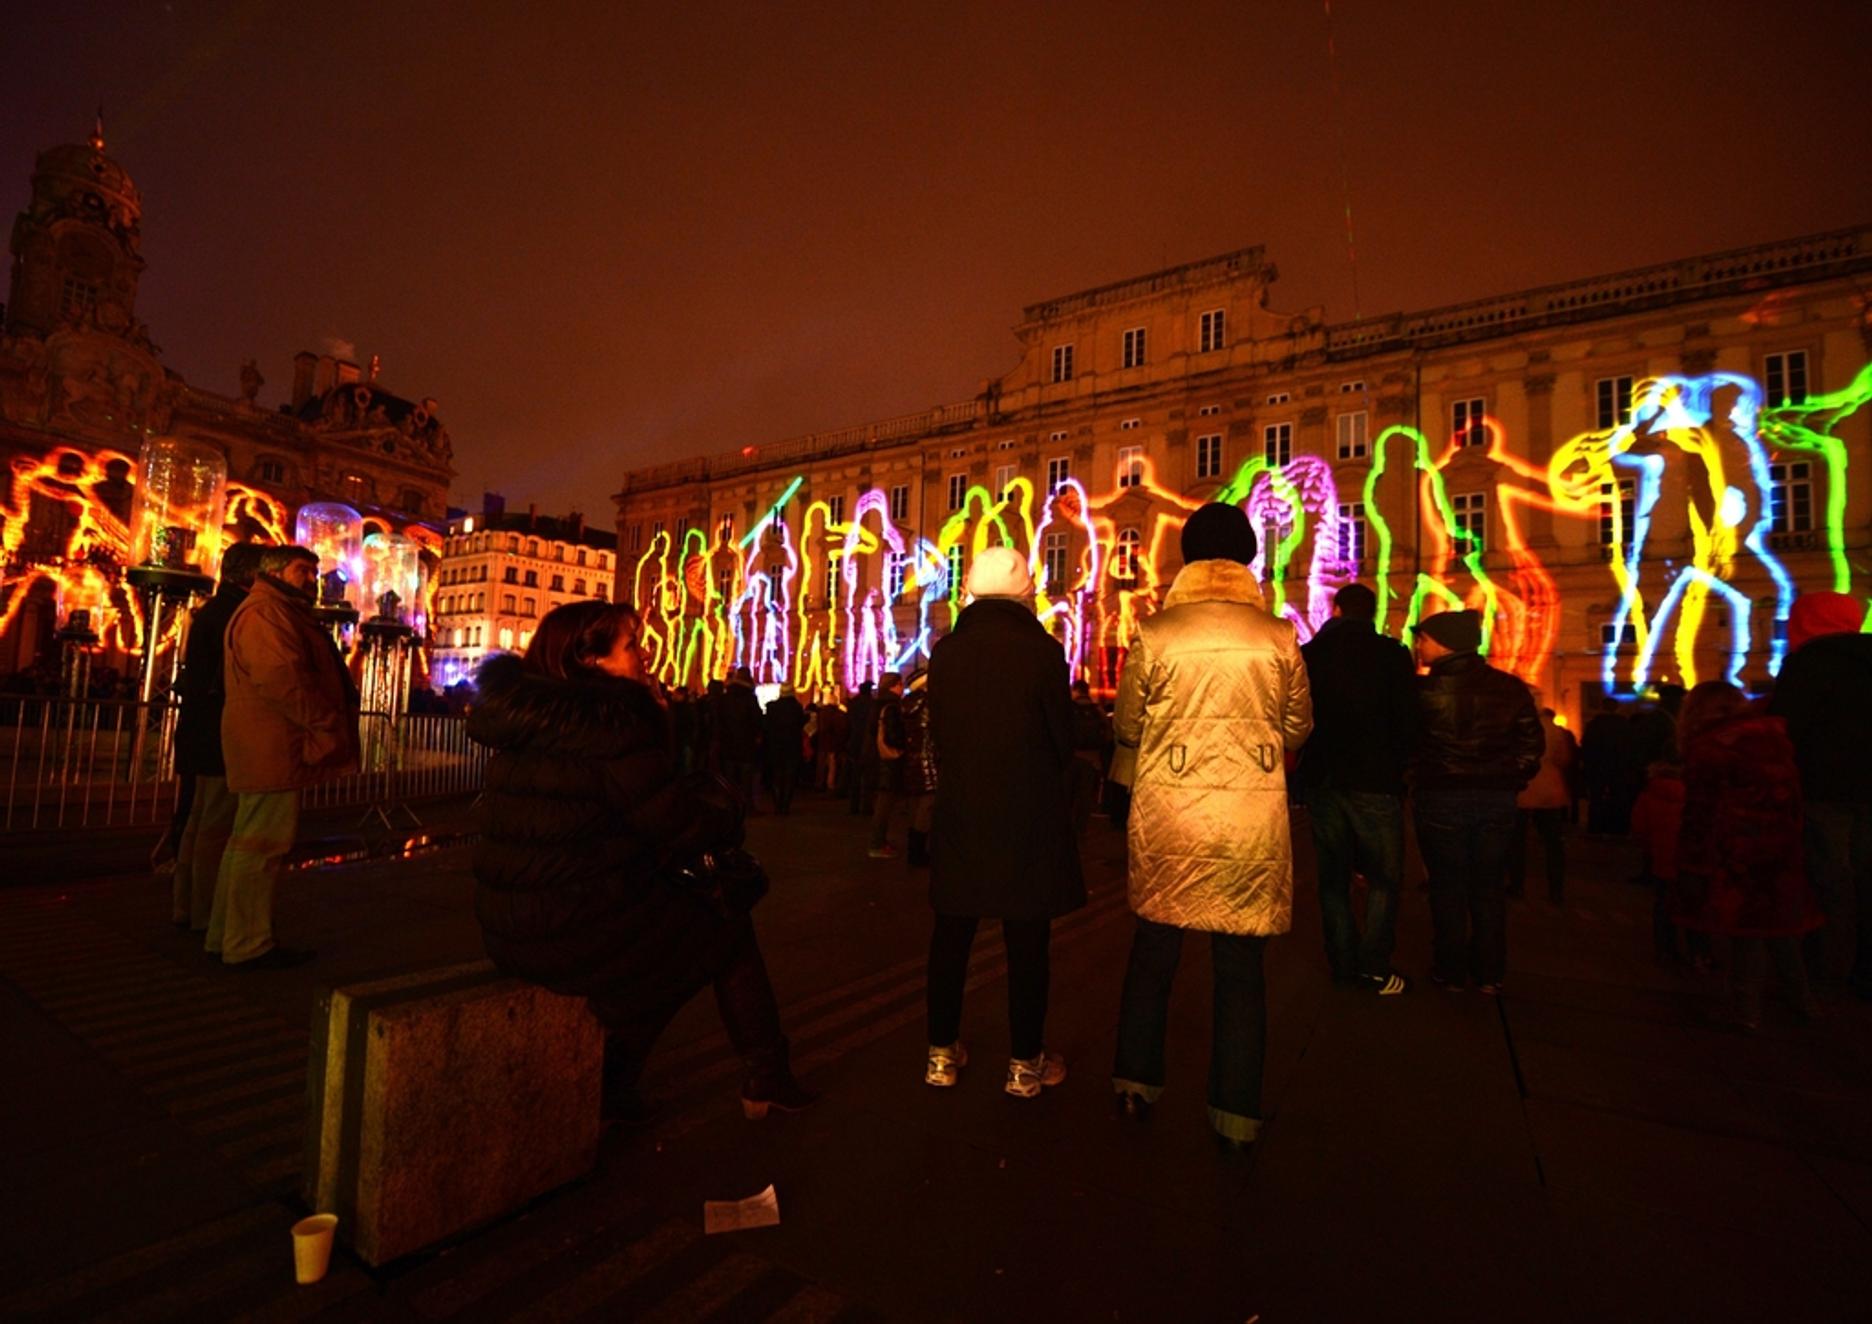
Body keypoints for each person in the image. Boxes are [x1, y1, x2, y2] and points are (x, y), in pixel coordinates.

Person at [467, 600, 815, 1121]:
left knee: (670, 944)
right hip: (572, 926)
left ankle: (617, 1087)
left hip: (510, 925)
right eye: (631, 645)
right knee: (723, 930)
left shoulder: (531, 722)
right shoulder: (610, 725)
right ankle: (764, 1077)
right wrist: (725, 811)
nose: (645, 654)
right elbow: (678, 826)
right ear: (592, 660)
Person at [1109, 504, 1312, 1150]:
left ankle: (1136, 1085)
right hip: (1249, 820)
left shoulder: (1156, 631)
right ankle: (1234, 1113)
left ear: (1189, 560)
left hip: (1171, 814)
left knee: (1153, 957)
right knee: (1241, 968)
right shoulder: (1278, 636)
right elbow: (1298, 726)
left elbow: (1128, 728)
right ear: (1249, 558)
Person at [925, 546, 1083, 1097]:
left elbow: (939, 734)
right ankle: (1024, 1062)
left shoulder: (946, 653)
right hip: (1026, 813)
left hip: (962, 811)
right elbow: (1064, 740)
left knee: (951, 936)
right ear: (1024, 592)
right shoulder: (1042, 652)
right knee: (1027, 943)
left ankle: (941, 1053)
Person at [211, 545, 360, 968]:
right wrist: (323, 723)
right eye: (302, 570)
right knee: (262, 846)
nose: (311, 578)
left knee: (248, 842)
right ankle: (248, 943)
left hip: (269, 743)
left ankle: (227, 935)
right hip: (275, 744)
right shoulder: (266, 614)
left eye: (313, 571)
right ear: (274, 570)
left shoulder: (270, 610)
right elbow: (283, 679)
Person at [1669, 681, 1821, 1029]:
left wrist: (1691, 861)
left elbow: (1700, 812)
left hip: (1736, 851)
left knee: (1745, 932)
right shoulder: (1774, 740)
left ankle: (1745, 1011)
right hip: (1781, 848)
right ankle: (1803, 1002)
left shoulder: (1711, 748)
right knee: (1783, 930)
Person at [1410, 609, 1543, 995]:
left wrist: (1419, 777)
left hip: (1439, 797)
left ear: (1446, 643)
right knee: (1487, 887)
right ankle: (1489, 972)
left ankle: (1450, 970)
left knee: (1446, 886)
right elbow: (1531, 746)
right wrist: (1510, 780)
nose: (1419, 645)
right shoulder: (1510, 688)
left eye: (1425, 638)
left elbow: (1406, 744)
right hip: (1496, 800)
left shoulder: (1421, 692)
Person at [1295, 582, 1416, 995]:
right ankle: (1374, 965)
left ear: (1337, 609)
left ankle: (1342, 963)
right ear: (1373, 612)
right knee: (1384, 878)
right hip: (1376, 779)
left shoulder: (1310, 654)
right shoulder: (1393, 655)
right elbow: (1406, 721)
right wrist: (1400, 770)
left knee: (1333, 878)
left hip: (1324, 778)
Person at [1769, 590, 1872, 999]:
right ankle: (1865, 968)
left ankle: (1826, 964)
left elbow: (1787, 725)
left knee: (1827, 876)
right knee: (1868, 876)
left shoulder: (1808, 663)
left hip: (1823, 786)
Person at [170, 542, 265, 934]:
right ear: (249, 575)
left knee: (196, 822)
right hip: (219, 732)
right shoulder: (237, 614)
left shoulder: (212, 609)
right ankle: (207, 913)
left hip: (197, 729)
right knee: (215, 826)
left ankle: (185, 905)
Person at [1508, 705, 1577, 904]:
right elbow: (1564, 758)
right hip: (1550, 791)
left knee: (1517, 842)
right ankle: (1556, 890)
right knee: (1553, 843)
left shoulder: (1516, 728)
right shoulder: (1555, 730)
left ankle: (1517, 885)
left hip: (1523, 789)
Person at [1581, 696, 1638, 834]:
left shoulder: (1594, 724)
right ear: (1617, 708)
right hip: (1619, 767)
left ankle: (1595, 828)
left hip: (1598, 767)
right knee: (1619, 797)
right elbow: (1630, 746)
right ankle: (1618, 828)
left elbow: (1587, 746)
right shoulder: (1624, 724)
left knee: (1596, 798)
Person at [866, 672, 907, 859]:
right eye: (901, 684)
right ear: (895, 685)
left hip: (876, 758)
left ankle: (879, 841)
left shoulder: (876, 703)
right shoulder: (892, 706)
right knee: (885, 803)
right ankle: (877, 844)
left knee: (882, 802)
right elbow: (892, 735)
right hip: (888, 761)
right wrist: (905, 741)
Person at [899, 671, 938, 867]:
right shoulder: (929, 703)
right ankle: (918, 853)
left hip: (911, 761)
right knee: (927, 806)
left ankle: (914, 851)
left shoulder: (906, 704)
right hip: (928, 760)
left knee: (916, 807)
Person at [712, 668, 764, 811]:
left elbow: (718, 720)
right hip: (746, 744)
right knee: (746, 777)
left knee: (730, 776)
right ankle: (745, 805)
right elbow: (757, 720)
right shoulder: (750, 699)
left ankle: (730, 804)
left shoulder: (725, 698)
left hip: (728, 742)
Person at [1066, 679, 1110, 836]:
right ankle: (1080, 829)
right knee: (1084, 797)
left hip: (1072, 757)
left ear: (1076, 690)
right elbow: (1107, 733)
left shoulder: (1069, 708)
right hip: (1092, 759)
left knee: (1068, 795)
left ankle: (1066, 830)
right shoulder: (1096, 709)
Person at [762, 683, 807, 814]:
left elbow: (766, 725)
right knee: (789, 775)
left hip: (774, 744)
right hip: (792, 745)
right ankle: (785, 805)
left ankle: (777, 804)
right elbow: (800, 724)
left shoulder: (772, 707)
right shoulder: (797, 708)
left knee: (776, 774)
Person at [846, 680, 875, 814]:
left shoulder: (853, 704)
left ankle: (854, 805)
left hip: (855, 742)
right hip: (868, 743)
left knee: (855, 776)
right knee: (869, 776)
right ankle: (867, 806)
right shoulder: (872, 704)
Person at [814, 695, 849, 793]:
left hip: (822, 741)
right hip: (833, 742)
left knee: (821, 763)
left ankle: (819, 783)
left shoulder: (821, 713)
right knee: (832, 765)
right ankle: (830, 784)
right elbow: (842, 729)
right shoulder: (839, 714)